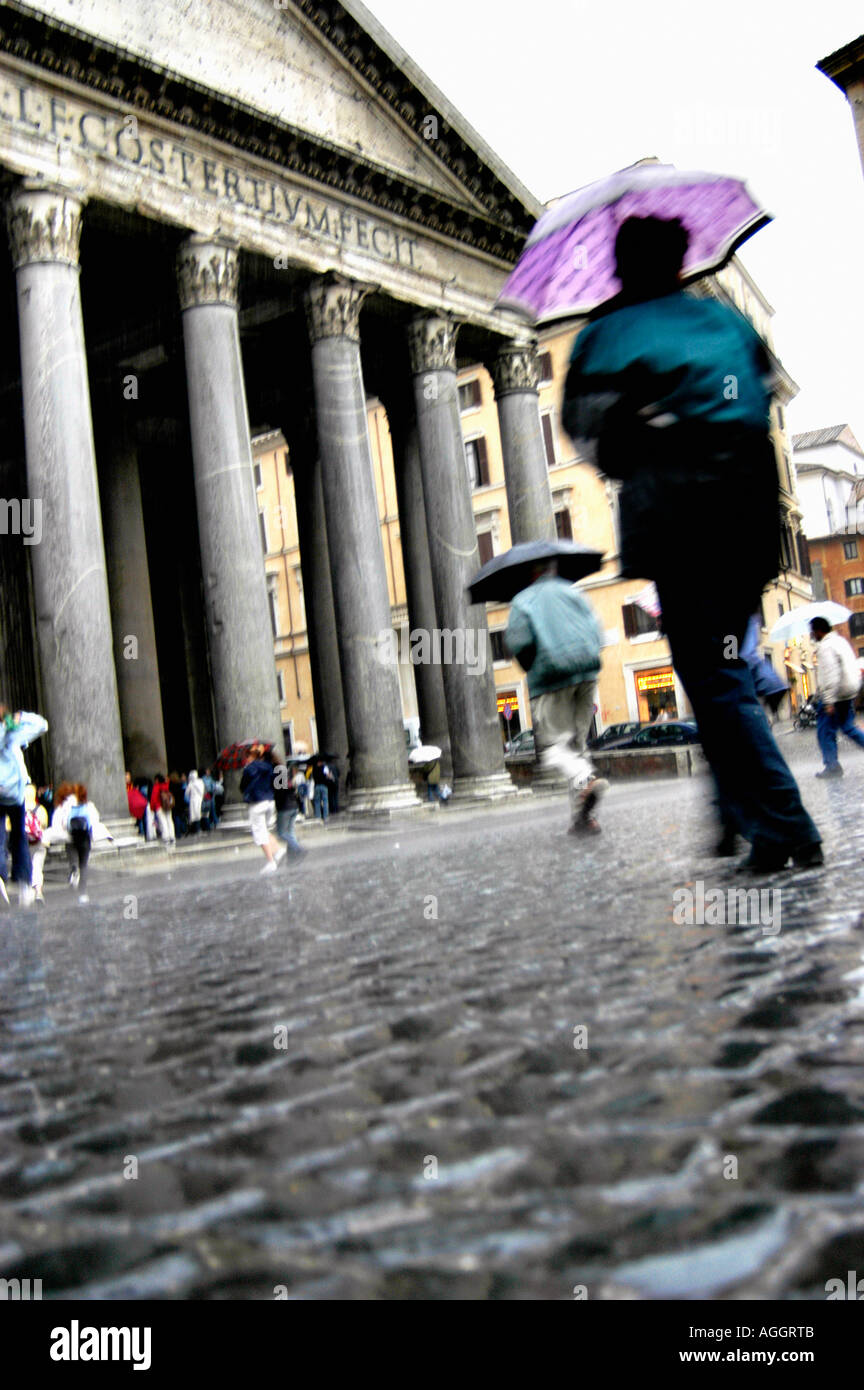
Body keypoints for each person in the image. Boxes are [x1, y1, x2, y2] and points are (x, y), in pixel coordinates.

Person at [562, 214, 821, 871]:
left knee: (714, 679)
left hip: (680, 513)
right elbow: (759, 397)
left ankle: (786, 826)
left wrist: (647, 431)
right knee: (723, 672)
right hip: (750, 505)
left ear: (622, 268)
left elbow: (588, 435)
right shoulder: (729, 324)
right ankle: (754, 824)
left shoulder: (605, 335)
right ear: (682, 262)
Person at [505, 561, 609, 835]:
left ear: (532, 573)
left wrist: (534, 667)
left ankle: (587, 780)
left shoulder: (523, 599)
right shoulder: (575, 592)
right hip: (587, 673)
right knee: (577, 747)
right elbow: (598, 634)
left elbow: (518, 642)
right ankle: (584, 819)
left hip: (551, 677)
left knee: (554, 750)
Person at [0, 706, 48, 908]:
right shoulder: (12, 733)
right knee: (19, 838)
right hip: (15, 793)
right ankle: (24, 884)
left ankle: (1, 879)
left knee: (0, 837)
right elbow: (42, 725)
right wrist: (20, 717)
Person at [810, 617, 864, 778]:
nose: (811, 635)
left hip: (836, 695)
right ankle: (832, 765)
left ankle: (832, 766)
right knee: (848, 727)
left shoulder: (826, 647)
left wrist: (827, 701)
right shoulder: (840, 641)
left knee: (825, 731)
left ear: (818, 631)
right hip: (847, 692)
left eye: (812, 631)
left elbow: (830, 675)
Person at [240, 744, 286, 874]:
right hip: (269, 801)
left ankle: (271, 862)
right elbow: (277, 783)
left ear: (253, 755)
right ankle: (278, 850)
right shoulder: (270, 766)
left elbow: (242, 786)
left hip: (256, 803)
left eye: (247, 756)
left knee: (259, 833)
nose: (246, 758)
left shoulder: (249, 769)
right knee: (264, 829)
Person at [268, 749, 305, 856]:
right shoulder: (283, 769)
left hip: (284, 806)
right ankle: (293, 854)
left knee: (281, 833)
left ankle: (298, 849)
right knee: (290, 832)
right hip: (293, 804)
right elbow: (286, 787)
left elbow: (280, 790)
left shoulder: (276, 771)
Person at [65, 783, 98, 904]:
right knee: (83, 865)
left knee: (73, 861)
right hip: (84, 839)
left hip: (71, 838)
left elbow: (65, 823)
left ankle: (74, 872)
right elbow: (94, 823)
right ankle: (83, 893)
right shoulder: (89, 806)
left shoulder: (68, 806)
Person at [24, 782, 49, 905]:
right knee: (37, 866)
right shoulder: (40, 809)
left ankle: (28, 892)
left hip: (25, 843)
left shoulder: (18, 811)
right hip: (40, 842)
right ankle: (38, 891)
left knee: (27, 867)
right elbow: (44, 824)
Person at [150, 774, 175, 847]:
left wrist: (152, 808)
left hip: (159, 807)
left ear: (157, 780)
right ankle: (172, 836)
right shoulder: (166, 785)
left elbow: (153, 798)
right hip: (167, 806)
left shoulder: (156, 786)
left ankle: (166, 837)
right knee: (169, 820)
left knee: (163, 822)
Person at [185, 769, 205, 835]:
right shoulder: (195, 782)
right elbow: (187, 793)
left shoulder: (195, 782)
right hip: (196, 800)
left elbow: (187, 792)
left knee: (196, 814)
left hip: (196, 800)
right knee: (195, 815)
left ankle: (198, 829)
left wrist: (194, 785)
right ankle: (197, 829)